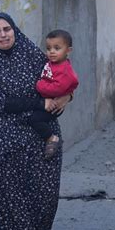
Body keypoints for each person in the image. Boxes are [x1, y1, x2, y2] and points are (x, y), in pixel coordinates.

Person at [0, 12, 72, 230]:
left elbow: (60, 78)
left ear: (14, 30)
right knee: (12, 199)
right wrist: (40, 104)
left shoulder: (32, 55)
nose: (3, 35)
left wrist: (67, 96)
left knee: (45, 197)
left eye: (7, 29)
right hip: (3, 143)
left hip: (41, 138)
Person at [33, 29, 79, 159]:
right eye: (48, 48)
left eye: (57, 48)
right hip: (48, 100)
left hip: (55, 104)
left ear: (68, 51)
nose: (51, 51)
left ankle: (51, 138)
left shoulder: (64, 69)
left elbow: (57, 89)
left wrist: (39, 85)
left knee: (34, 119)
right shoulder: (53, 63)